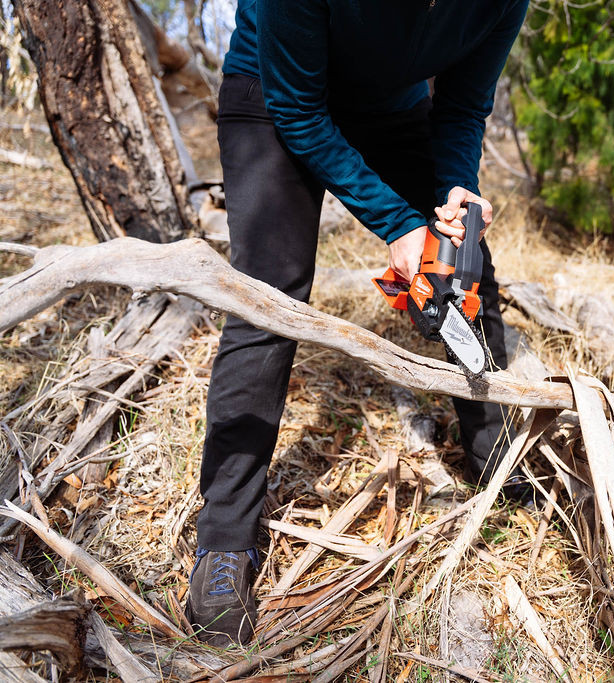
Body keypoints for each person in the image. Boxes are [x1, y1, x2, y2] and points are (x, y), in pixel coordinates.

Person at [184, 0, 530, 647]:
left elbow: (461, 107)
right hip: (275, 96)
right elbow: (297, 109)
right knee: (269, 296)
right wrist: (396, 223)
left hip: (390, 108)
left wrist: (455, 193)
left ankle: (498, 462)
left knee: (466, 267)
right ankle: (223, 544)